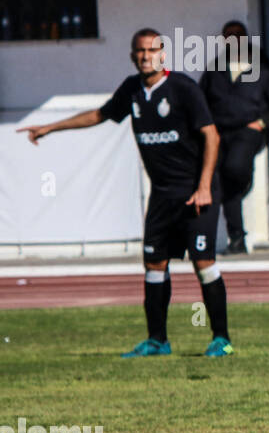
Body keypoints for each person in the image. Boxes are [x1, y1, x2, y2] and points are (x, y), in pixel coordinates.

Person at [19, 28, 234, 358]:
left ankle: (221, 339)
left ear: (163, 54)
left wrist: (204, 186)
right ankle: (157, 341)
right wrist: (50, 127)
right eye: (140, 51)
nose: (146, 56)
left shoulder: (183, 88)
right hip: (162, 194)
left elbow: (212, 135)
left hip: (196, 192)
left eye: (152, 50)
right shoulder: (132, 90)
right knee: (154, 263)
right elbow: (99, 114)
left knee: (203, 261)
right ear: (133, 56)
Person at [199, 20, 269, 255]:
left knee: (235, 169)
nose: (233, 40)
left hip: (247, 131)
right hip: (219, 133)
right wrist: (207, 129)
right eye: (229, 36)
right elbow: (201, 100)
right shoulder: (215, 69)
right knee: (221, 183)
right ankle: (236, 239)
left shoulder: (261, 66)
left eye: (238, 35)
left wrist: (261, 123)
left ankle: (243, 183)